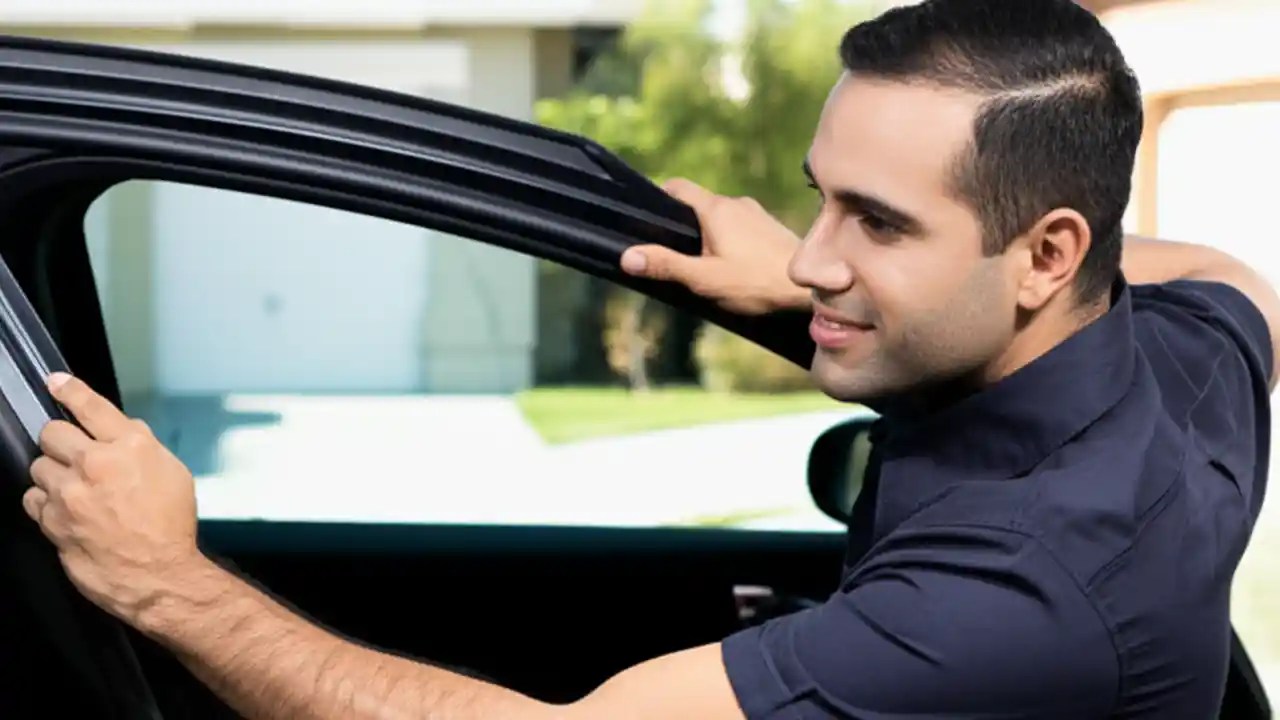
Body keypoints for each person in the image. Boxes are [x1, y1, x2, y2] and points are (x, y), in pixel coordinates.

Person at [18, 0, 1279, 717]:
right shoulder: (1187, 359)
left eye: (878, 224)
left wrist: (167, 584)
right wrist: (826, 300)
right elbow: (1231, 275)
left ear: (1047, 254)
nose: (806, 259)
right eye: (819, 203)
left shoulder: (1014, 600)